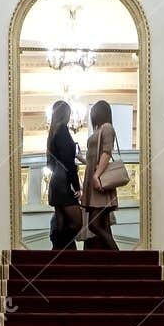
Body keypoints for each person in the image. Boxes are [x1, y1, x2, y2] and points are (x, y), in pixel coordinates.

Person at [45, 101, 84, 249]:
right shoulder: (62, 131)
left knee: (62, 223)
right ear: (66, 114)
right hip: (63, 184)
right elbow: (69, 163)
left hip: (56, 182)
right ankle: (60, 248)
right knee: (77, 222)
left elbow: (50, 163)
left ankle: (59, 252)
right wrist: (77, 187)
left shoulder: (53, 132)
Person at [82, 99, 120, 250]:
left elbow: (106, 152)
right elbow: (93, 158)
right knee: (103, 226)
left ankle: (122, 258)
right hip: (94, 181)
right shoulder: (99, 130)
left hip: (100, 182)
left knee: (94, 224)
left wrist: (96, 176)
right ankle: (115, 260)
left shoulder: (107, 128)